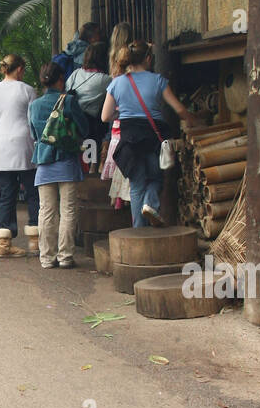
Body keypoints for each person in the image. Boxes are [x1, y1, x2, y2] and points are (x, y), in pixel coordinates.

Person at [101, 40, 194, 227]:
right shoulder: (158, 81)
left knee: (136, 186)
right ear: (148, 59)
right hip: (153, 137)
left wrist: (122, 112)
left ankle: (138, 231)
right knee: (156, 178)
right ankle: (150, 203)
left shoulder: (117, 83)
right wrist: (192, 120)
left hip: (129, 138)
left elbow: (105, 116)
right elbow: (178, 109)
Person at [0, 53, 38, 259]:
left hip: (1, 149)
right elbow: (35, 121)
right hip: (25, 146)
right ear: (19, 69)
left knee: (7, 195)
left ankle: (4, 243)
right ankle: (35, 241)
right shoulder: (28, 90)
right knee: (32, 193)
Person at [29, 63, 91, 268]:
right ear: (60, 80)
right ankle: (65, 257)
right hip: (66, 160)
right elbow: (84, 127)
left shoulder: (34, 105)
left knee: (46, 211)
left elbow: (34, 135)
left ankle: (47, 258)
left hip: (44, 162)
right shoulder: (69, 101)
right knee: (68, 211)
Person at [67, 43, 110, 168]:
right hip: (91, 123)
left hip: (73, 119)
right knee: (91, 158)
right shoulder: (105, 79)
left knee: (79, 157)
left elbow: (66, 89)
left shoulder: (75, 73)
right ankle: (92, 172)